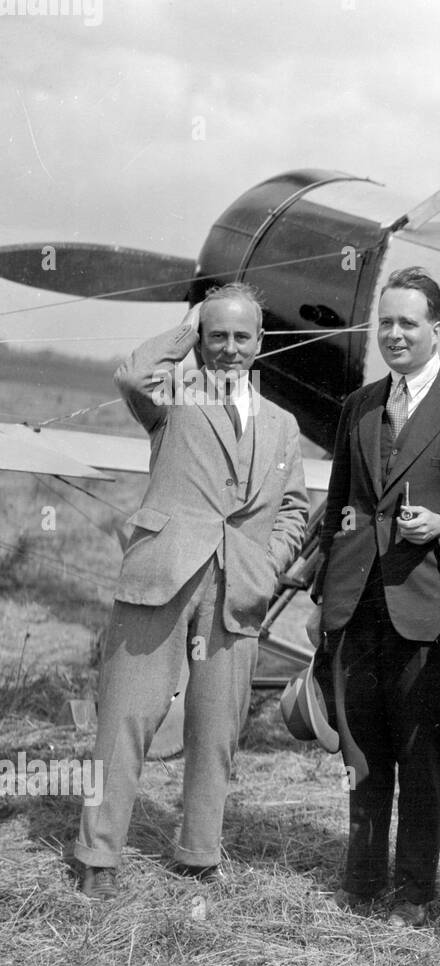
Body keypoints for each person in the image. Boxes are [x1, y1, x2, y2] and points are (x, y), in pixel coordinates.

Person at [77, 283, 309, 899]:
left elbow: (294, 508)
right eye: (217, 336)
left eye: (242, 337)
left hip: (238, 588)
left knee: (217, 727)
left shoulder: (283, 426)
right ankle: (98, 854)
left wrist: (269, 558)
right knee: (126, 717)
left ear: (261, 343)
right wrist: (186, 326)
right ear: (201, 342)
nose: (230, 349)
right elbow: (132, 375)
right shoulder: (172, 398)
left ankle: (200, 852)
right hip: (161, 576)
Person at [309, 267, 440, 928]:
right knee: (360, 751)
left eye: (409, 323)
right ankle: (363, 878)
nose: (395, 335)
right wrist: (321, 588)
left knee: (420, 756)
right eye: (387, 324)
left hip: (431, 608)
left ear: (437, 328)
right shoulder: (360, 406)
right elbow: (339, 505)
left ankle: (415, 890)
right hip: (356, 606)